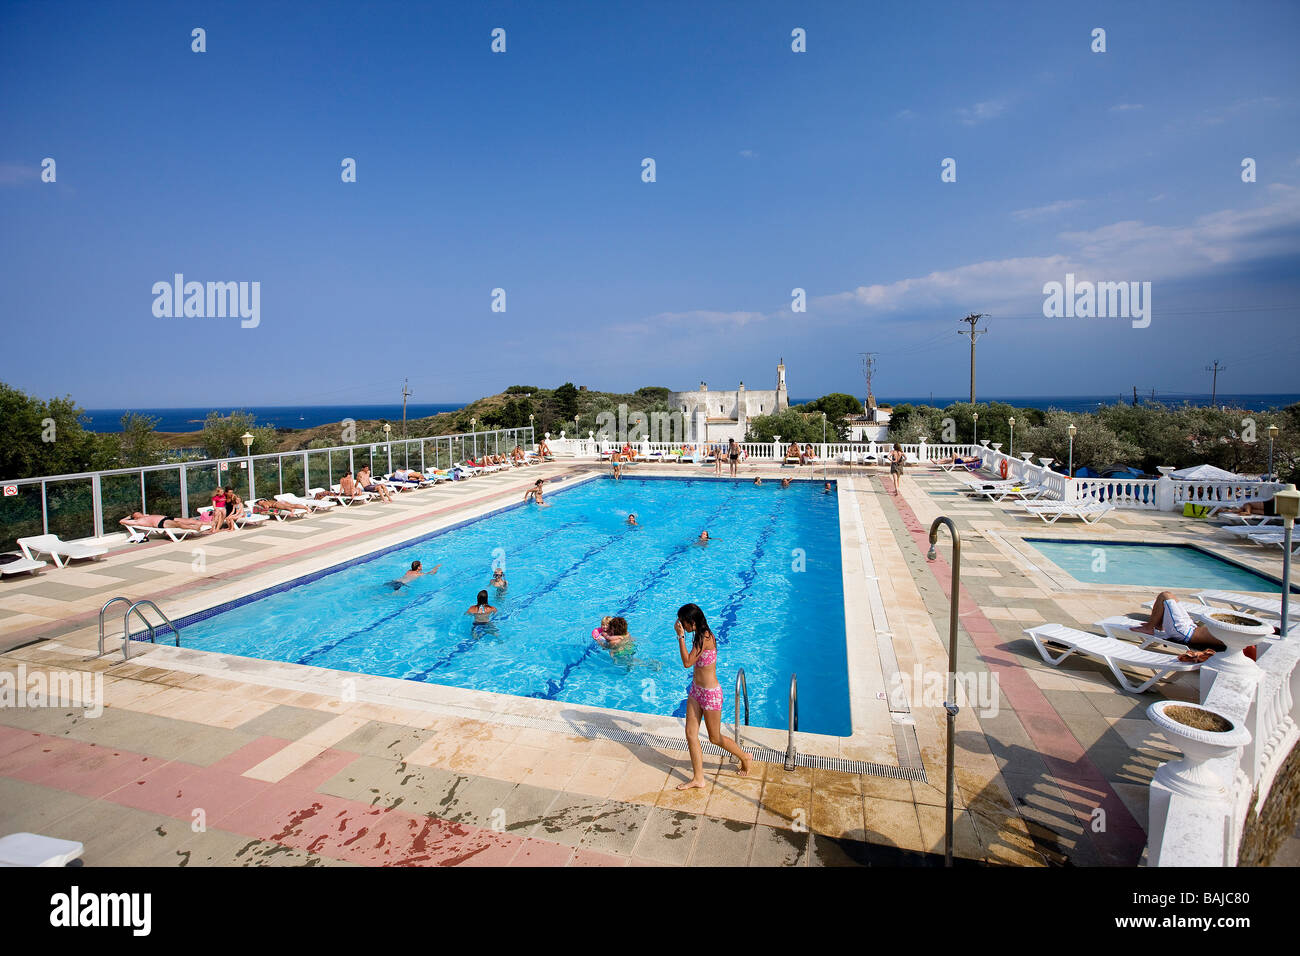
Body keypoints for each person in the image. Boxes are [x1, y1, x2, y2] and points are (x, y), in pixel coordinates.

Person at [673, 603, 751, 788]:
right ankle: (698, 778)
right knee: (690, 733)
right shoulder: (698, 635)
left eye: (683, 623)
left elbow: (687, 662)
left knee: (714, 738)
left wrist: (680, 637)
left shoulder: (704, 638)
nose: (681, 625)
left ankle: (744, 756)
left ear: (691, 622)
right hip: (696, 691)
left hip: (710, 695)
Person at [1130, 592, 1226, 651]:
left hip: (1183, 632)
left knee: (1164, 596)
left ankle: (1149, 628)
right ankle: (1158, 625)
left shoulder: (1235, 640)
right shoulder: (1238, 638)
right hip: (1192, 627)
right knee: (1171, 596)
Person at [120, 512, 210, 534]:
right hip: (161, 523)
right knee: (178, 523)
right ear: (134, 516)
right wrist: (129, 517)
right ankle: (194, 528)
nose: (139, 512)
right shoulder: (137, 521)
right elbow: (121, 521)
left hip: (165, 518)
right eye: (137, 513)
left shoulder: (145, 515)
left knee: (187, 520)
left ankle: (208, 523)